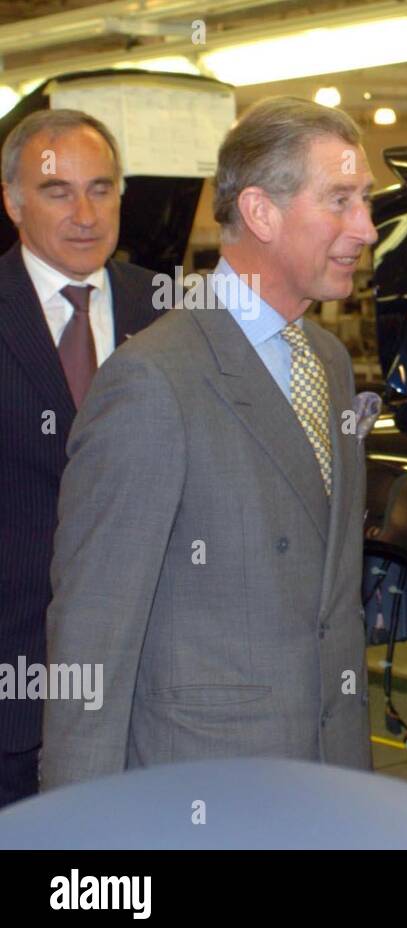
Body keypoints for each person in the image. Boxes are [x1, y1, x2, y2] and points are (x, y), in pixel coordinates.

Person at [40, 97, 378, 789]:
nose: (367, 229)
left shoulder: (326, 360)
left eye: (365, 201)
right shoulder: (152, 381)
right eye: (340, 201)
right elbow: (94, 636)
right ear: (259, 212)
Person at [0, 109, 160, 808]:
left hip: (151, 687)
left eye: (102, 187)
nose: (86, 213)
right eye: (57, 191)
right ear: (12, 200)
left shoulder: (170, 311)